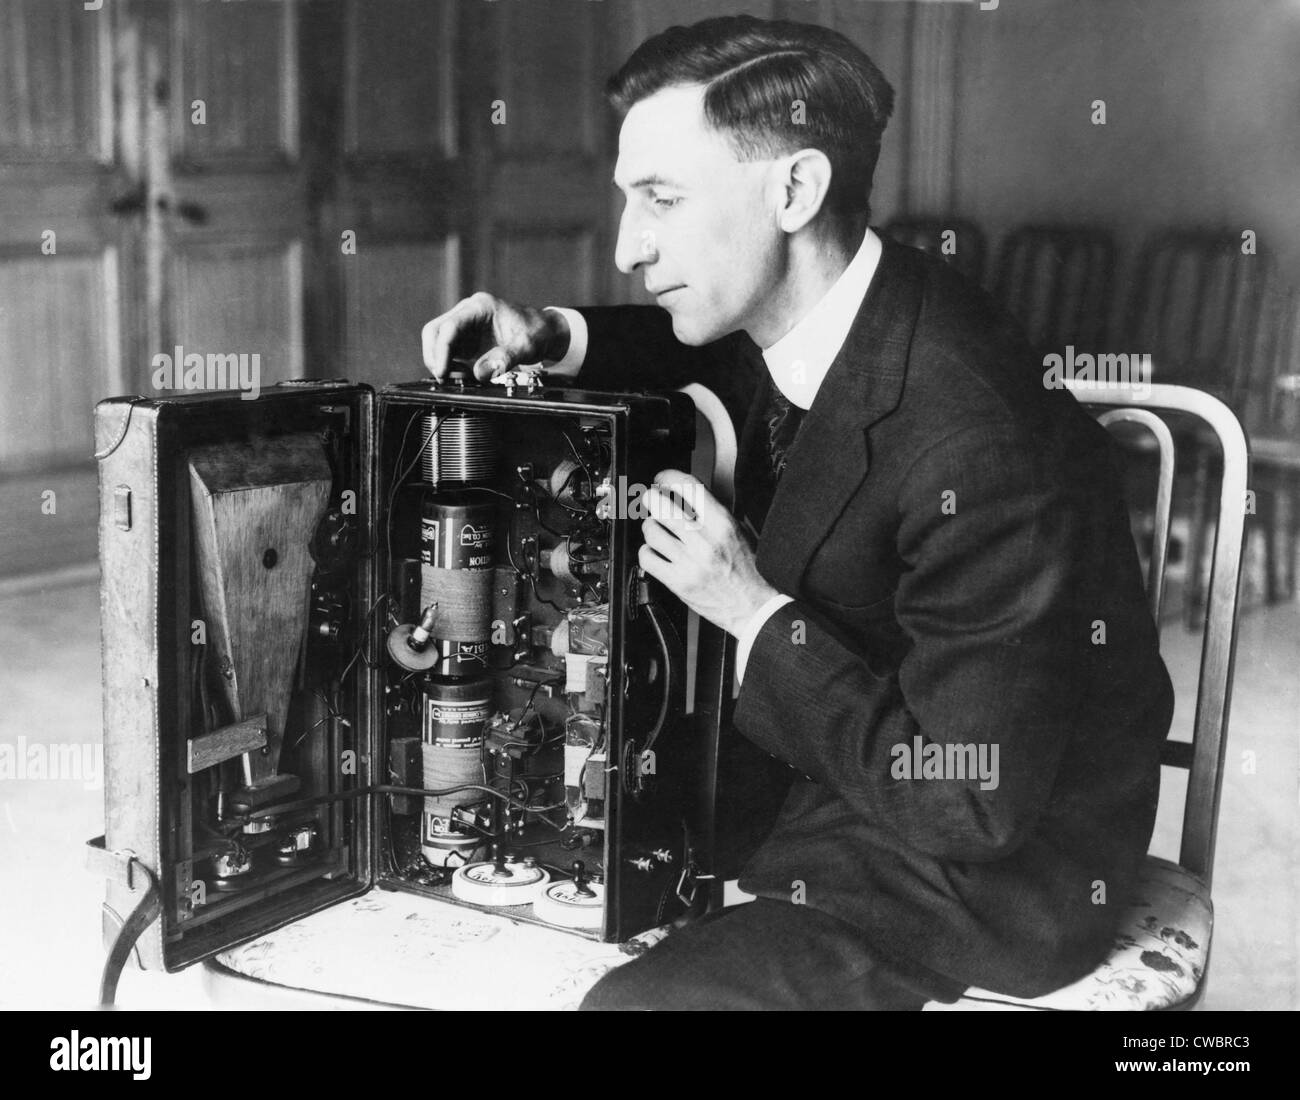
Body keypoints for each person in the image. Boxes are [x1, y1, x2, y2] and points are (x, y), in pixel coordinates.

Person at [420, 15, 1173, 1010]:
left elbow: (971, 798)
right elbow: (707, 346)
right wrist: (550, 334)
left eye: (661, 200)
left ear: (794, 188)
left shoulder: (974, 436)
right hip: (836, 785)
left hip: (969, 871)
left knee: (630, 1009)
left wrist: (751, 609)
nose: (627, 248)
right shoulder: (845, 298)